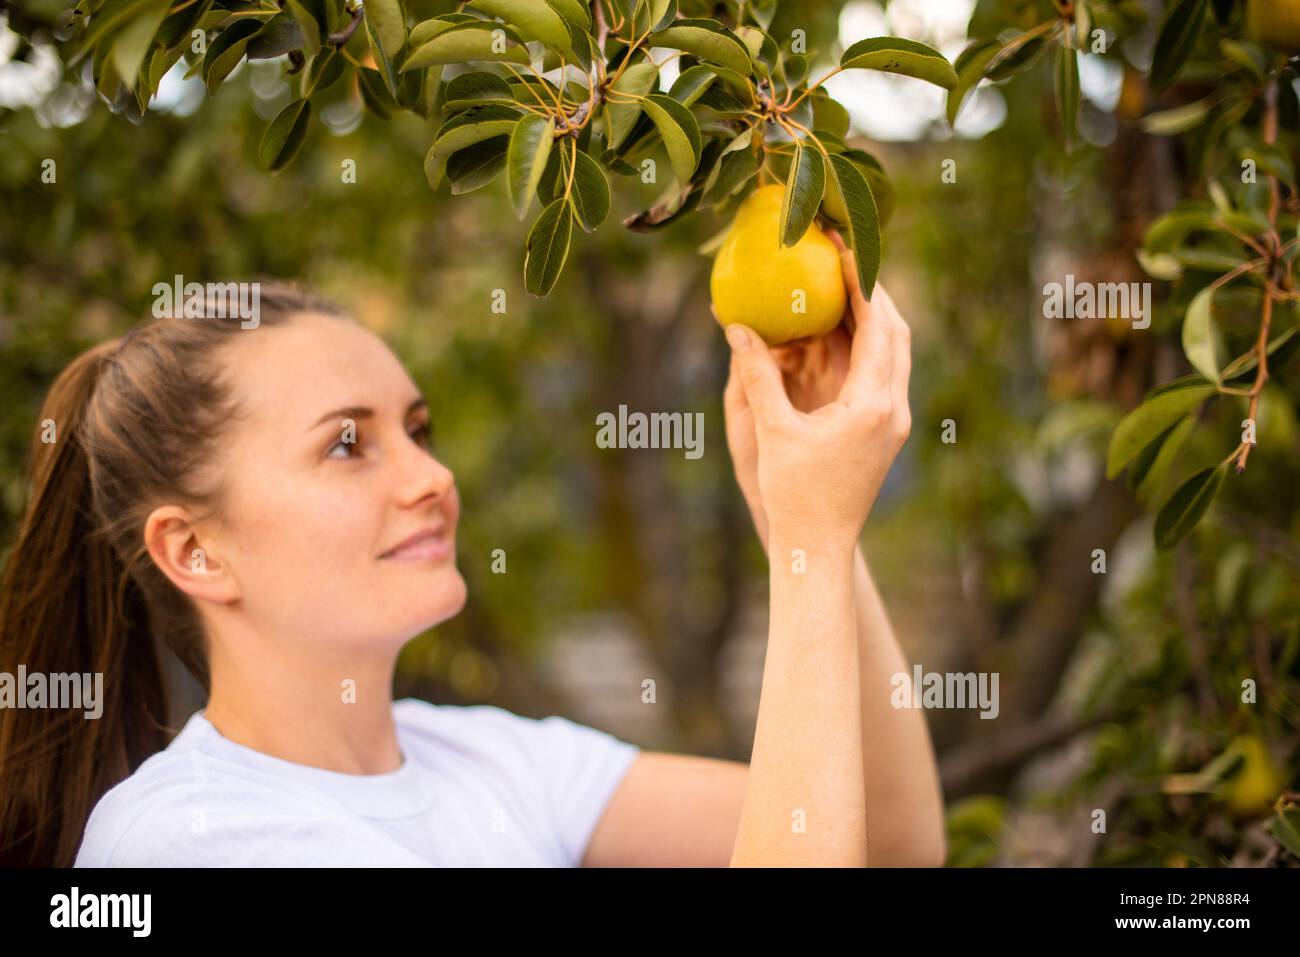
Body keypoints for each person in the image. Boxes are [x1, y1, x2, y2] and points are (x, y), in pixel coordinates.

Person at [0, 237, 944, 867]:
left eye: (418, 428)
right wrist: (814, 538)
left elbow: (893, 839)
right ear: (196, 551)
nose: (430, 477)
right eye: (346, 442)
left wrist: (801, 524)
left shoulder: (483, 758)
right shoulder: (189, 838)